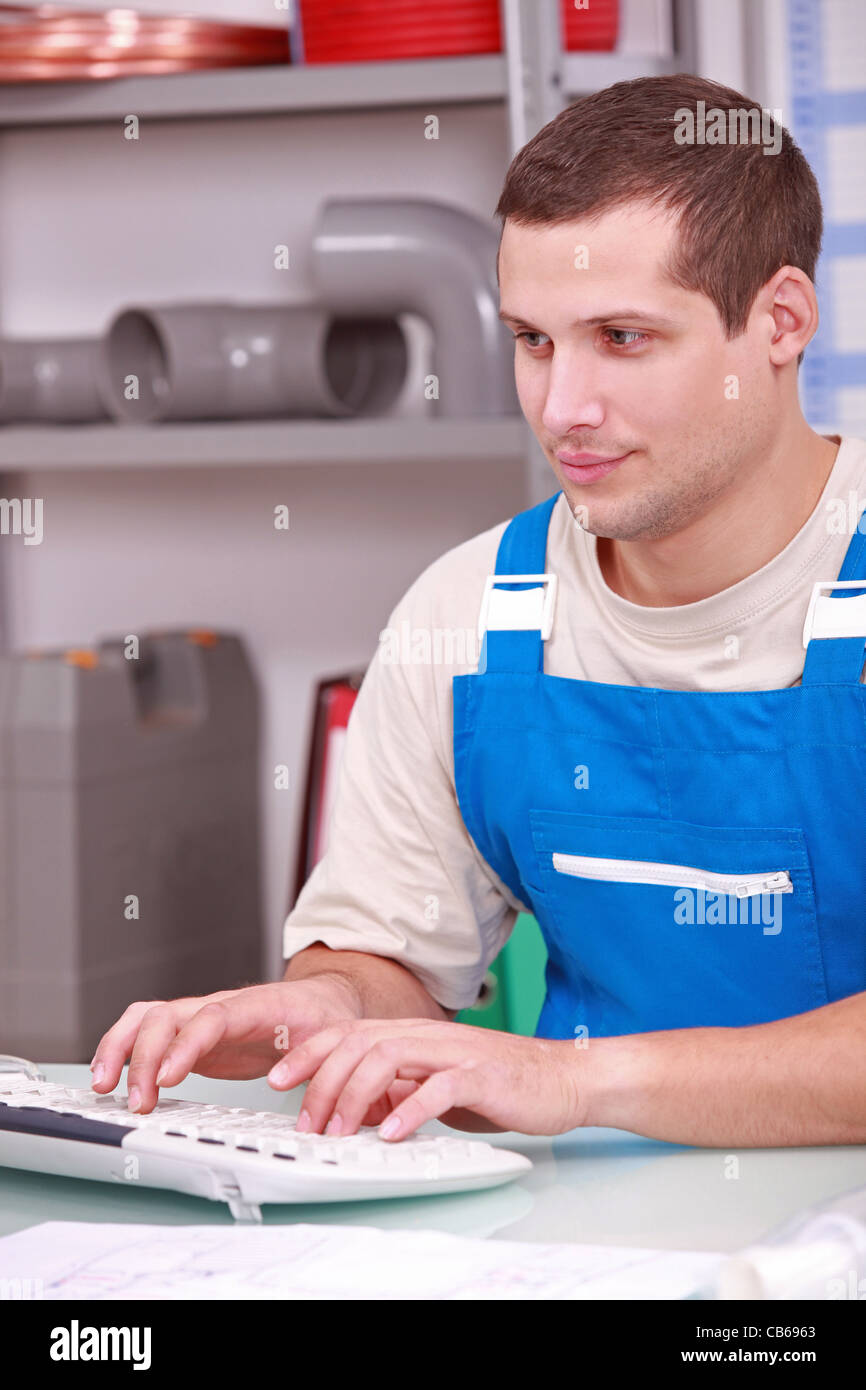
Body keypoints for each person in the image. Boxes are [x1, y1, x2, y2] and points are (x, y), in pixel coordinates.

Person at [92, 74, 866, 1149]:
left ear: (778, 322)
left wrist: (580, 1082)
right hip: (581, 1227)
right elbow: (389, 958)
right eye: (533, 340)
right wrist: (333, 1005)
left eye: (622, 339)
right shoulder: (468, 612)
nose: (562, 408)